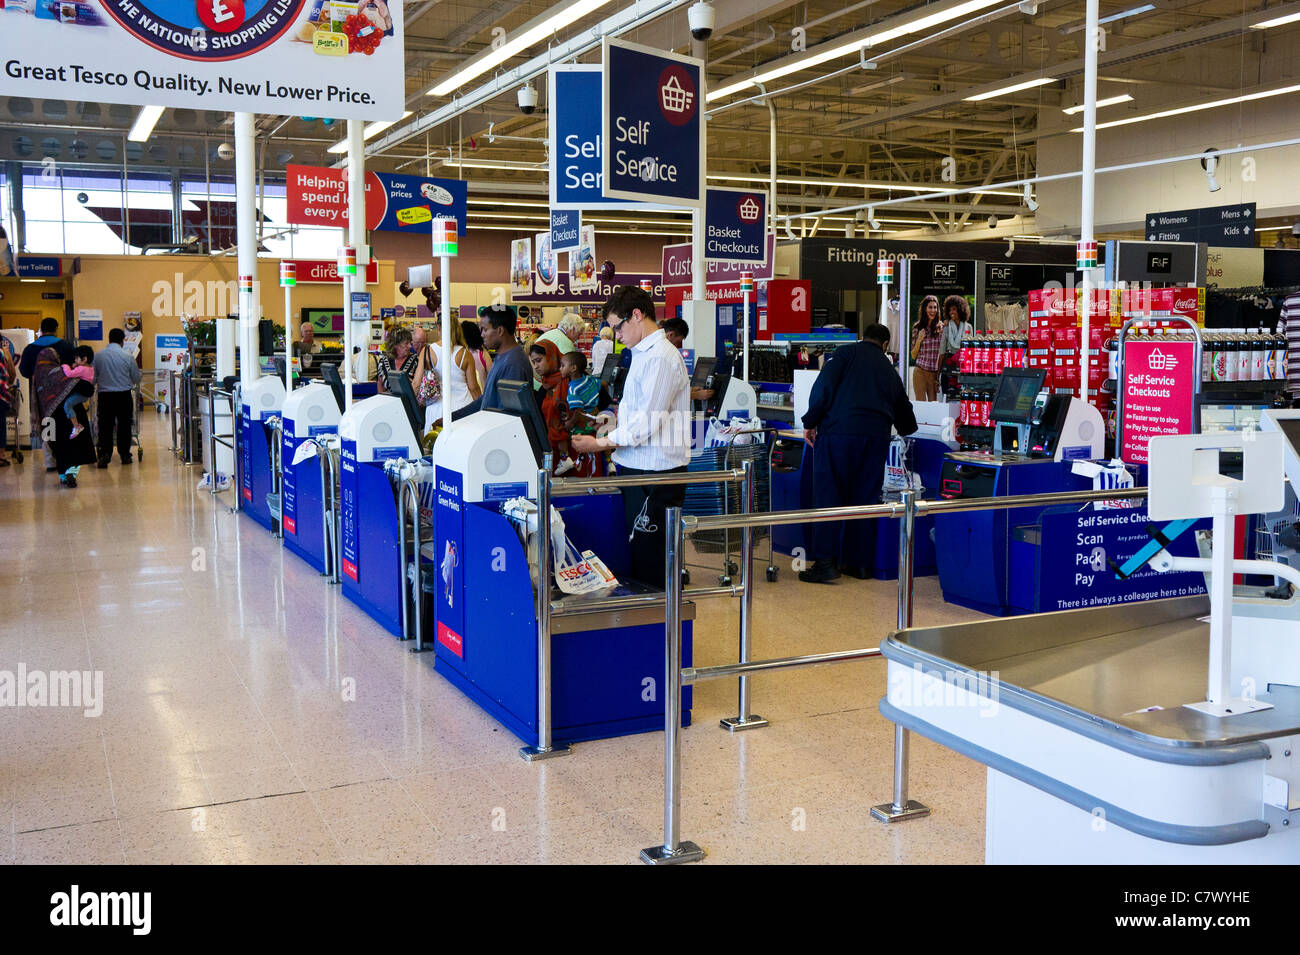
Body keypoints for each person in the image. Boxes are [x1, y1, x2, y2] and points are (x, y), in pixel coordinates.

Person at [571, 286, 690, 587]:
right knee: (638, 556)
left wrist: (597, 444)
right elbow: (639, 413)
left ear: (636, 315)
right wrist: (609, 421)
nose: (616, 335)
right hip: (639, 469)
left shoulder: (661, 357)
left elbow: (646, 424)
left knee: (651, 561)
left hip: (657, 474)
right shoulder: (641, 354)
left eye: (617, 327)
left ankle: (661, 624)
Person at [799, 323, 917, 584]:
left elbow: (823, 388)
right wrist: (907, 427)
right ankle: (859, 564)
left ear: (864, 336)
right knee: (864, 500)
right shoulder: (888, 368)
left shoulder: (844, 355)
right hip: (875, 439)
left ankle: (826, 564)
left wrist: (810, 421)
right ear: (885, 344)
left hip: (838, 435)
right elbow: (903, 406)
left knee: (829, 495)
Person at [453, 306, 532, 417]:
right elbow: (485, 399)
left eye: (485, 329)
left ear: (500, 330)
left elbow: (508, 415)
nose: (481, 335)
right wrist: (453, 417)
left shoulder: (512, 364)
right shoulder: (502, 357)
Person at [32, 346, 95, 487]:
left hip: (50, 418)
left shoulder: (38, 375)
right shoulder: (60, 372)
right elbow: (85, 388)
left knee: (58, 448)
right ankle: (71, 473)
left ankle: (62, 475)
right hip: (71, 415)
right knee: (73, 447)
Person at [20, 318, 74, 471]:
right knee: (63, 424)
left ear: (41, 330)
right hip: (62, 392)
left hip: (40, 395)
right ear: (56, 329)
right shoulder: (65, 346)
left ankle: (50, 462)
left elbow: (24, 371)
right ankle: (63, 457)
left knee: (47, 424)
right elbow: (71, 369)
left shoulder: (30, 349)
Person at [93, 327, 142, 467]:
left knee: (105, 426)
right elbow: (136, 377)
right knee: (125, 426)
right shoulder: (128, 356)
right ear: (123, 340)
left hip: (105, 397)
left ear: (109, 338)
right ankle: (125, 455)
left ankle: (105, 455)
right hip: (124, 396)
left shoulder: (98, 356)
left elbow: (93, 379)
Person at [422, 319, 481, 429]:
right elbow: (473, 387)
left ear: (438, 328)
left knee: (434, 443)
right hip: (463, 408)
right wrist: (482, 406)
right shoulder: (465, 353)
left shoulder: (427, 351)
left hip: (436, 408)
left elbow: (417, 382)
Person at [560, 350, 606, 478]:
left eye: (563, 365)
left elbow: (578, 412)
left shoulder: (573, 389)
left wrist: (570, 423)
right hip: (596, 419)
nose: (560, 369)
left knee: (579, 445)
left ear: (573, 368)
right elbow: (604, 384)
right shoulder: (590, 379)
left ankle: (578, 462)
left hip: (583, 424)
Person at [530, 340, 573, 473]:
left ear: (551, 356)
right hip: (553, 451)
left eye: (539, 360)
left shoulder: (571, 379)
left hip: (574, 449)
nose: (536, 366)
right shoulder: (546, 384)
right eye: (533, 362)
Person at [910, 296, 943, 402]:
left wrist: (938, 377)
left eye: (935, 307)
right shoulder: (917, 327)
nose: (933, 310)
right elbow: (913, 355)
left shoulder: (941, 328)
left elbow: (943, 353)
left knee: (933, 406)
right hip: (920, 371)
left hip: (934, 374)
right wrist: (920, 338)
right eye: (930, 307)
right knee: (921, 405)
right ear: (925, 309)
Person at [62, 345, 96, 439]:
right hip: (85, 393)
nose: (75, 361)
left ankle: (76, 426)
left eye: (77, 358)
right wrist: (77, 365)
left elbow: (69, 374)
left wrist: (65, 366)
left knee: (67, 405)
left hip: (81, 393)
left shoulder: (81, 369)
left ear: (84, 359)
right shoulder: (91, 368)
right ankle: (76, 426)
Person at [375, 326, 418, 394]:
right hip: (389, 402)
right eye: (406, 343)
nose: (410, 346)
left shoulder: (416, 360)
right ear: (395, 345)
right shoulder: (383, 361)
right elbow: (380, 384)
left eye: (410, 343)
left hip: (409, 402)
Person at [462, 319, 493, 392]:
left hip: (465, 398)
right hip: (482, 395)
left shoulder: (460, 354)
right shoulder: (483, 354)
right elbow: (492, 376)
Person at [0, 333, 16, 467]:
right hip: (0, 395)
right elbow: (12, 373)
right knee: (0, 425)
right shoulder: (3, 353)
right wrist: (8, 384)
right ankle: (0, 456)